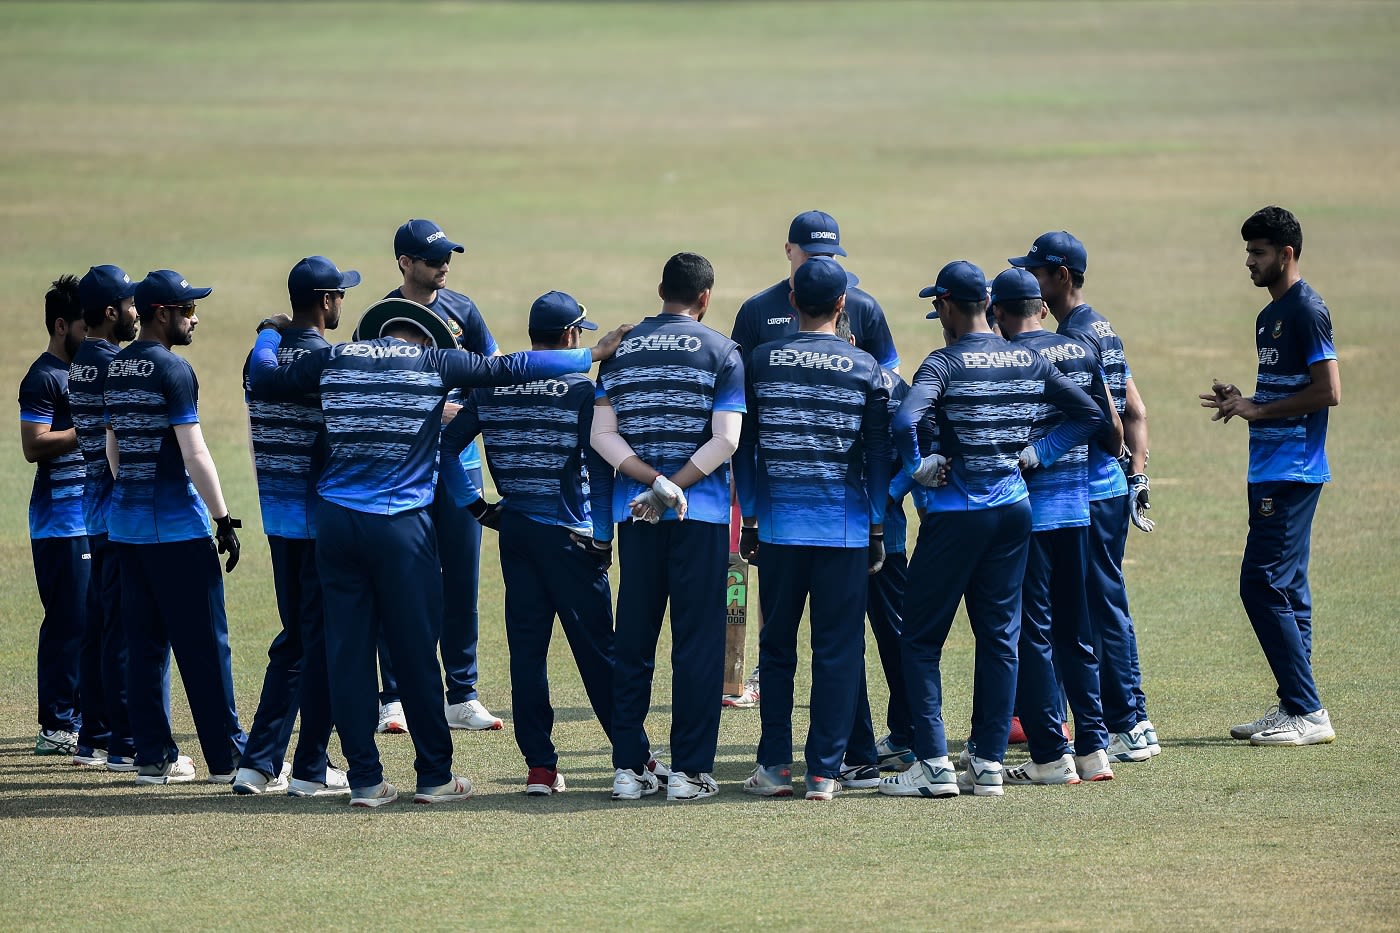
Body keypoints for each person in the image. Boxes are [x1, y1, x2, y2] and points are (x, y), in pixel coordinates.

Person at [249, 296, 631, 807]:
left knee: (347, 651)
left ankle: (364, 778)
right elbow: (508, 367)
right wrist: (593, 355)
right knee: (415, 650)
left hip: (336, 521)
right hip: (400, 524)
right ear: (426, 337)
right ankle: (433, 775)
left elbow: (268, 378)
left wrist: (268, 333)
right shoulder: (432, 361)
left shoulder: (335, 357)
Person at [879, 261, 1102, 800]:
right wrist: (1039, 451)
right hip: (1014, 510)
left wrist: (916, 467)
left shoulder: (943, 364)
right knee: (1001, 638)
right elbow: (1090, 413)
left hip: (958, 515)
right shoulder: (1026, 359)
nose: (937, 315)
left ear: (952, 306)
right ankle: (988, 764)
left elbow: (906, 420)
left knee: (921, 638)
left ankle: (933, 764)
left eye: (937, 305)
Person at [441, 290, 643, 795]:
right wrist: (602, 537)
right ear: (572, 336)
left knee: (527, 656)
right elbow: (597, 467)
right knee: (600, 654)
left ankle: (541, 768)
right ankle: (631, 760)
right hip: (570, 539)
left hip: (517, 535)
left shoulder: (494, 386)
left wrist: (477, 506)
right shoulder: (579, 392)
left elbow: (444, 446)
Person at [725, 210, 901, 709]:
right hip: (780, 479)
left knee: (838, 634)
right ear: (789, 252)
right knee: (785, 604)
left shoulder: (864, 307)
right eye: (813, 253)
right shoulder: (757, 311)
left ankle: (847, 744)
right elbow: (741, 398)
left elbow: (887, 377)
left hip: (842, 487)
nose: (823, 261)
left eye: (831, 255)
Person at [733, 257, 890, 801]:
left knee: (776, 650)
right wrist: (875, 528)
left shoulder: (761, 360)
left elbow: (745, 447)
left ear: (793, 301)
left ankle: (775, 766)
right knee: (839, 651)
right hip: (844, 534)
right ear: (843, 305)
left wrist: (750, 517)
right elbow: (877, 453)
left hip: (777, 530)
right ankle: (824, 771)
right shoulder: (865, 368)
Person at [592, 252, 744, 802]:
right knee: (696, 645)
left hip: (638, 516)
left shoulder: (621, 349)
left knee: (632, 642)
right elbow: (725, 440)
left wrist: (650, 482)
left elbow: (602, 438)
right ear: (705, 297)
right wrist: (674, 483)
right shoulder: (723, 350)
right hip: (697, 516)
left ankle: (629, 769)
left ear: (661, 290)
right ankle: (689, 772)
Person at [1011, 230, 1160, 762]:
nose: (1031, 281)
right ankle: (1122, 719)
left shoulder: (1077, 337)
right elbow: (1137, 408)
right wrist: (1138, 478)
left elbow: (1112, 422)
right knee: (1099, 606)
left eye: (1038, 273)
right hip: (1110, 487)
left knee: (1096, 609)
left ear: (1064, 277)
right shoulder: (1102, 327)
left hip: (1089, 490)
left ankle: (1128, 722)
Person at [1202, 205, 1339, 747]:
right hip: (1270, 467)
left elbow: (1329, 390)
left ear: (1286, 254)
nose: (1249, 263)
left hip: (1293, 469)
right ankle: (1293, 704)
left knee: (1260, 585)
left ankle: (1308, 711)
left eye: (1258, 253)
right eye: (1246, 253)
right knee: (1290, 589)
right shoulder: (1270, 315)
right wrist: (1247, 401)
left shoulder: (1306, 310)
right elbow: (1287, 391)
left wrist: (1259, 411)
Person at [105, 270, 247, 785]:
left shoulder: (116, 369)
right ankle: (227, 758)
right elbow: (194, 452)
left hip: (126, 529)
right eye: (188, 309)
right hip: (178, 534)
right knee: (206, 647)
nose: (195, 317)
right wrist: (223, 518)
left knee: (143, 649)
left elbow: (113, 448)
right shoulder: (175, 369)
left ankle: (152, 758)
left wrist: (132, 498)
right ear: (162, 313)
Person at [232, 257, 360, 797]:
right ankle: (290, 765)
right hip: (320, 522)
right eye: (340, 296)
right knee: (316, 642)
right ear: (327, 301)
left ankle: (277, 762)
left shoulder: (256, 356)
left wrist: (266, 331)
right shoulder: (326, 361)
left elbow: (262, 373)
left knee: (302, 638)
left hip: (277, 519)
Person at [989, 268, 1120, 785]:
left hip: (1030, 517)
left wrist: (1037, 453)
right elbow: (1101, 421)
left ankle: (1049, 755)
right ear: (1040, 307)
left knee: (1034, 635)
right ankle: (1094, 749)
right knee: (1076, 631)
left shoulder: (1010, 360)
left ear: (998, 313)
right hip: (1078, 511)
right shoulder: (1080, 350)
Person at [376, 218, 503, 735]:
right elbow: (372, 387)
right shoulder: (381, 317)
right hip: (404, 472)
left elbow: (492, 373)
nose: (443, 265)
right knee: (401, 582)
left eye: (448, 256)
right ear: (406, 263)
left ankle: (462, 694)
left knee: (461, 583)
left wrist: (460, 413)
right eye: (432, 260)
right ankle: (395, 697)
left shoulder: (463, 310)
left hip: (460, 468)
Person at [68, 265, 142, 770]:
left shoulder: (82, 361)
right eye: (133, 305)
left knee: (100, 623)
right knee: (121, 628)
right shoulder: (113, 365)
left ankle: (93, 735)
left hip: (93, 504)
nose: (139, 313)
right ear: (111, 312)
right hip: (116, 507)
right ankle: (123, 742)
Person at [18, 275, 89, 758]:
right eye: (85, 324)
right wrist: (87, 430)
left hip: (86, 517)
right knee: (67, 621)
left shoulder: (80, 373)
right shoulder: (44, 377)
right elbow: (33, 444)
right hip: (59, 523)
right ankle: (56, 725)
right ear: (62, 325)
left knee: (88, 622)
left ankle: (80, 718)